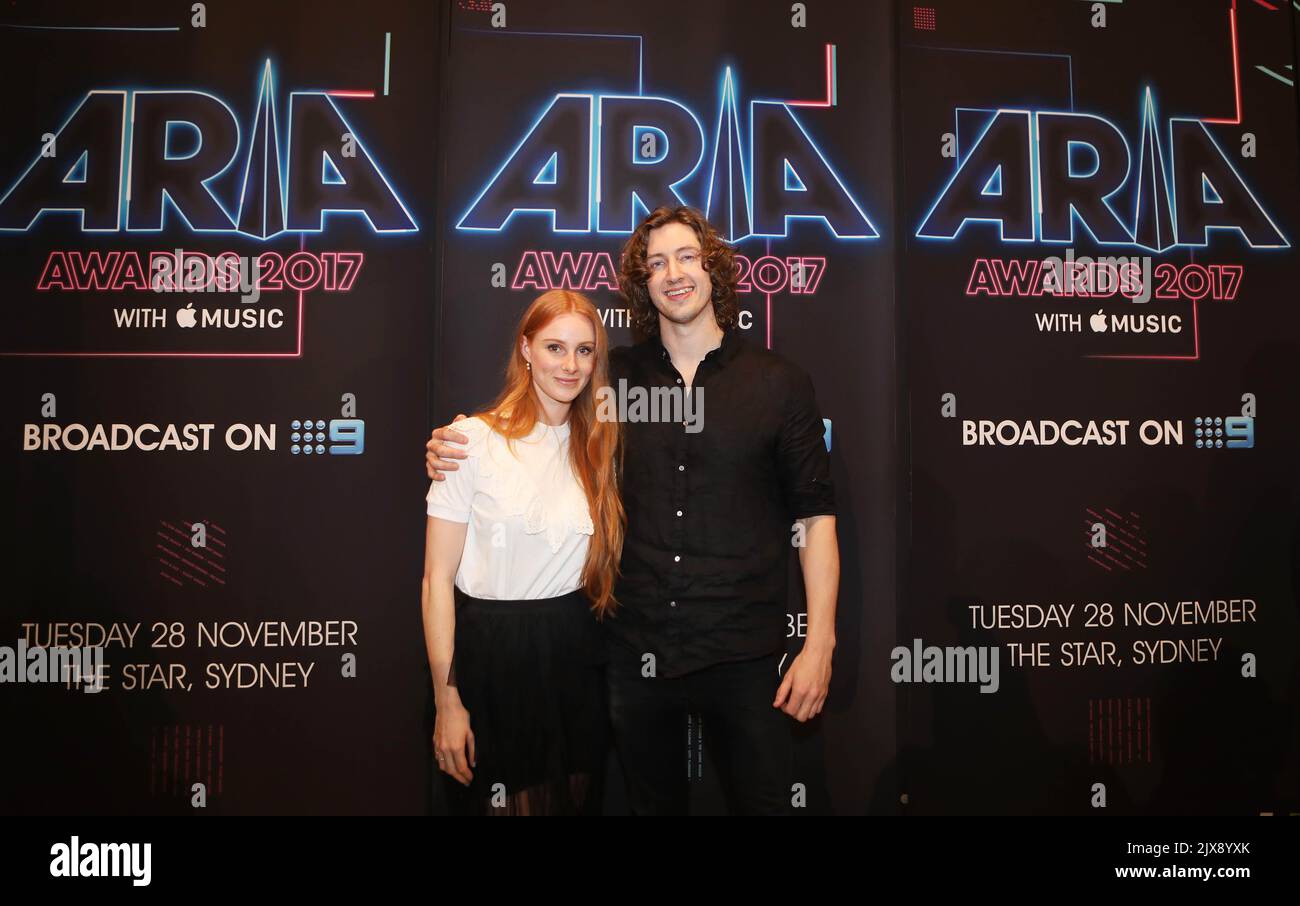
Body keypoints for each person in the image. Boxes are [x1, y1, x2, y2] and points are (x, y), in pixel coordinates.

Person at [427, 206, 840, 815]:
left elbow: (814, 518)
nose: (673, 273)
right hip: (633, 652)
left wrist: (821, 642)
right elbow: (536, 422)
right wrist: (457, 440)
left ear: (713, 268)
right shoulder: (612, 378)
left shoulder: (778, 383)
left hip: (744, 656)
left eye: (687, 257)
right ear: (642, 284)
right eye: (656, 263)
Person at [421, 289, 624, 815]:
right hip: (490, 659)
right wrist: (448, 699)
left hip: (576, 657)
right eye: (555, 347)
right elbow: (436, 581)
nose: (571, 364)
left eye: (584, 351)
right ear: (526, 348)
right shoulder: (468, 442)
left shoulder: (601, 446)